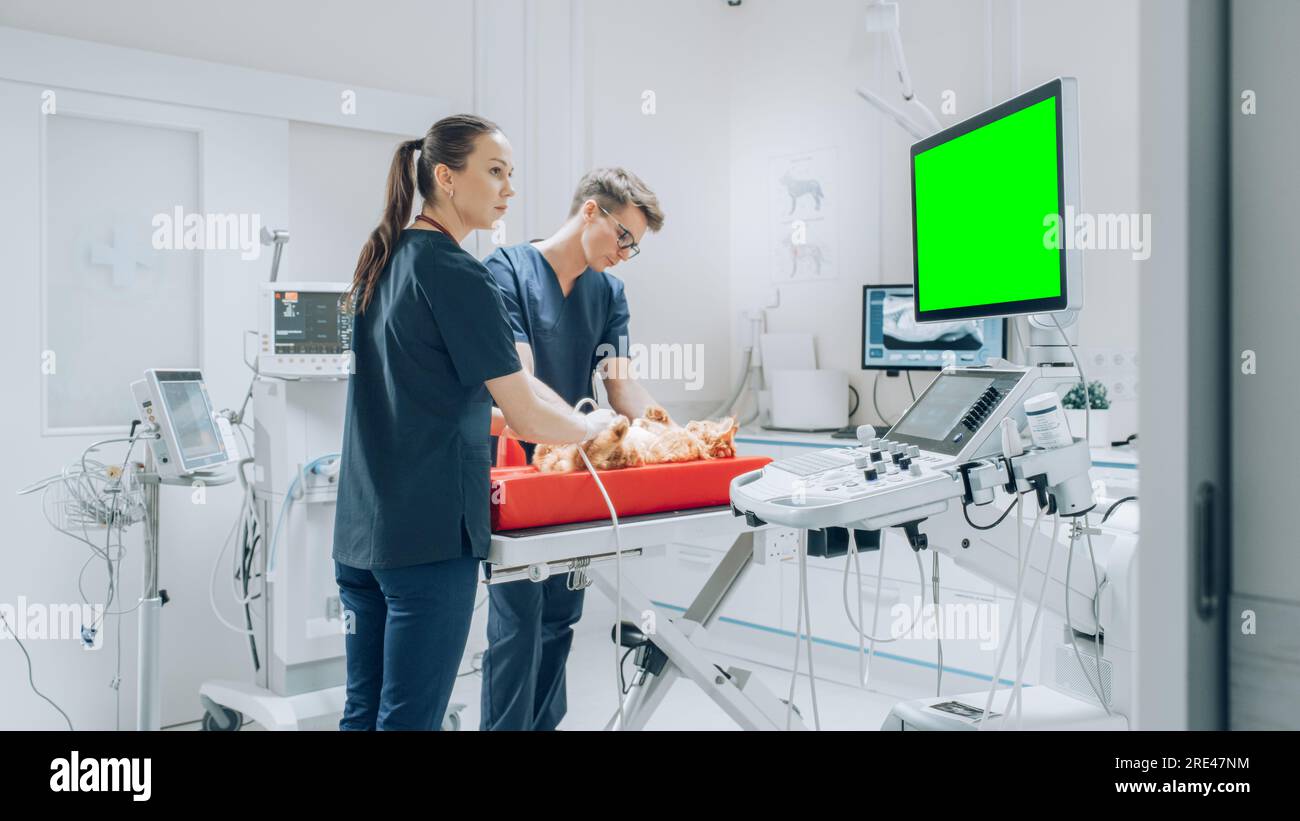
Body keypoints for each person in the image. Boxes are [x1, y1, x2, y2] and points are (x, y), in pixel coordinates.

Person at [331, 115, 615, 731]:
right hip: (426, 539)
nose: (508, 187)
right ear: (445, 178)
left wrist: (511, 423)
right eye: (493, 171)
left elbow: (426, 395)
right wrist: (602, 428)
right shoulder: (459, 272)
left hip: (361, 532)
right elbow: (525, 410)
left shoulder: (382, 258)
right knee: (409, 718)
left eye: (511, 174)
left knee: (365, 712)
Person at [479, 168, 665, 730]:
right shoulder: (505, 271)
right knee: (518, 621)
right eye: (624, 238)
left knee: (561, 616)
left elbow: (622, 384)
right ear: (591, 211)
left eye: (636, 247)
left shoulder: (608, 292)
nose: (626, 254)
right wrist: (585, 428)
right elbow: (522, 384)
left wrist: (669, 434)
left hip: (576, 476)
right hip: (518, 468)